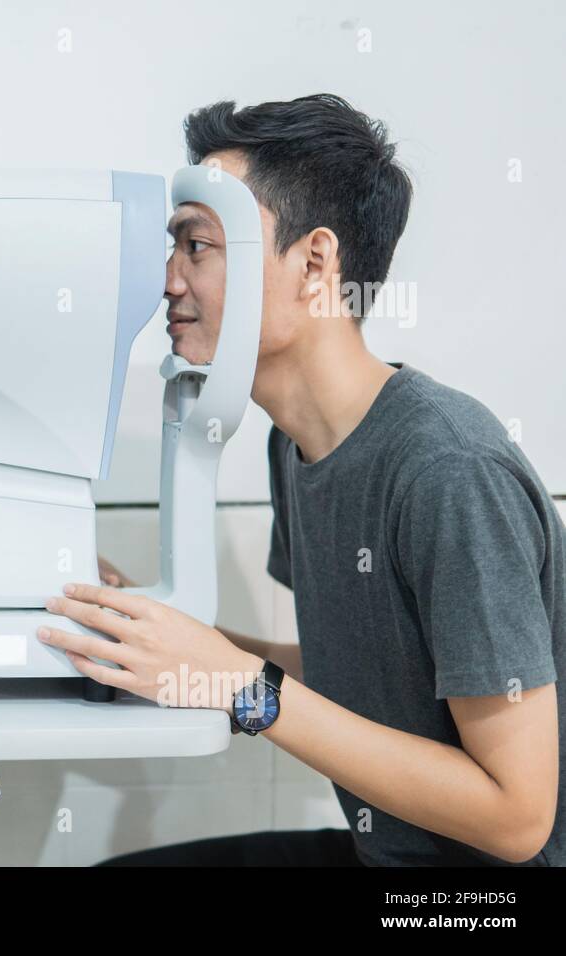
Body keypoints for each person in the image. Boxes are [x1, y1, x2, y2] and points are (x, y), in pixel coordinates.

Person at [41, 95, 564, 866]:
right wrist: (158, 645)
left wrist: (244, 689)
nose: (168, 282)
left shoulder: (448, 472)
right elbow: (358, 672)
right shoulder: (293, 445)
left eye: (198, 246)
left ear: (315, 264)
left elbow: (518, 820)